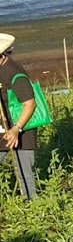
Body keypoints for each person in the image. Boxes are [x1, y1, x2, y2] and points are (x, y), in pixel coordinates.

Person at [0, 33, 40, 201]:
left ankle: (32, 206)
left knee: (24, 173)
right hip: (3, 127)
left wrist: (16, 129)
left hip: (21, 128)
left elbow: (30, 104)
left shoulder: (15, 74)